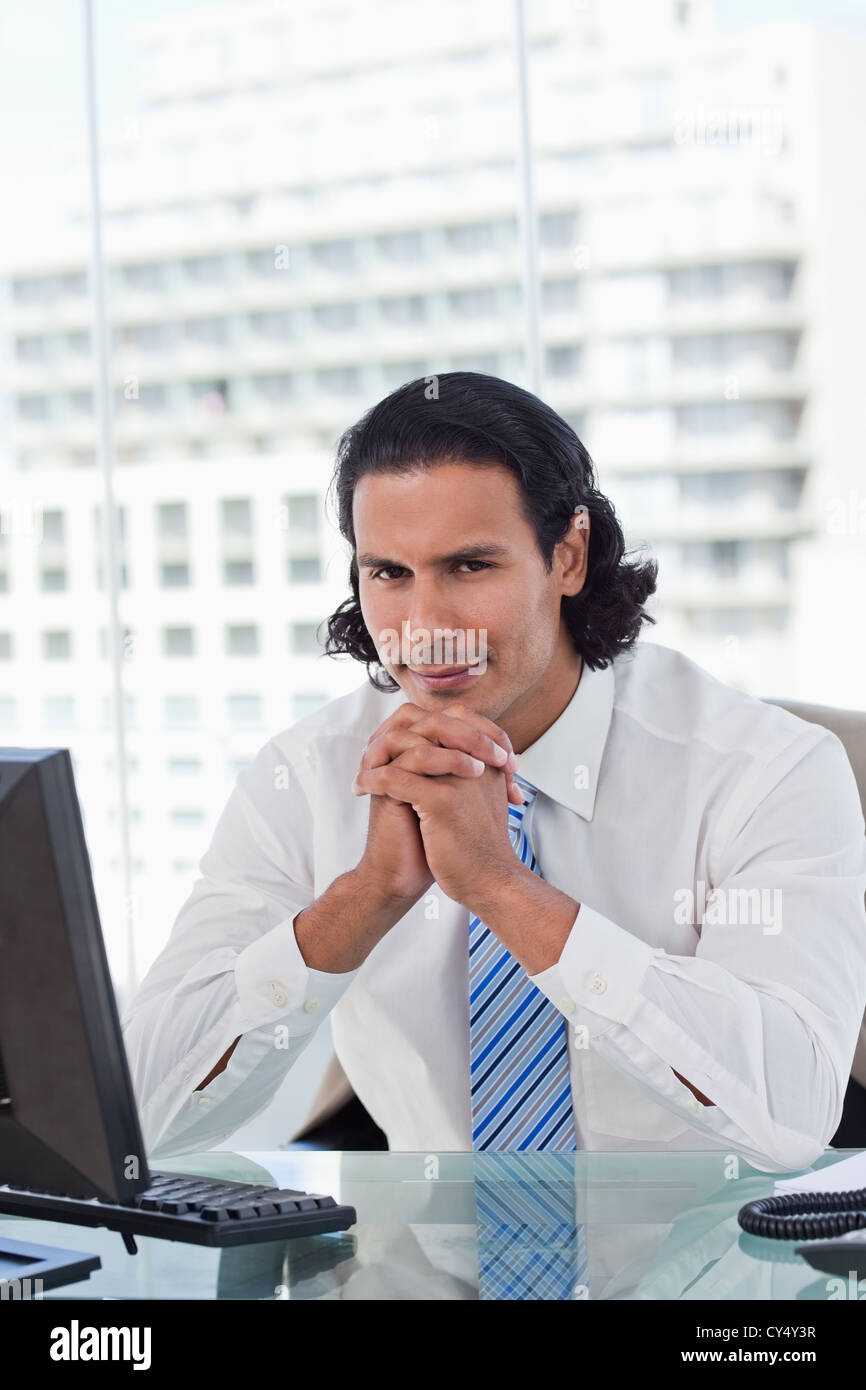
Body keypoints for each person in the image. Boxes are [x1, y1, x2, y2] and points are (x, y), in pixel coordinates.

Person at [122, 371, 866, 1174]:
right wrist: (364, 898)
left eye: (470, 566)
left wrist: (501, 888)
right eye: (389, 573)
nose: (425, 627)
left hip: (705, 1241)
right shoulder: (305, 778)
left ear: (569, 556)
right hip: (426, 1244)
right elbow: (139, 1120)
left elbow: (791, 1118)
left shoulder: (767, 769)